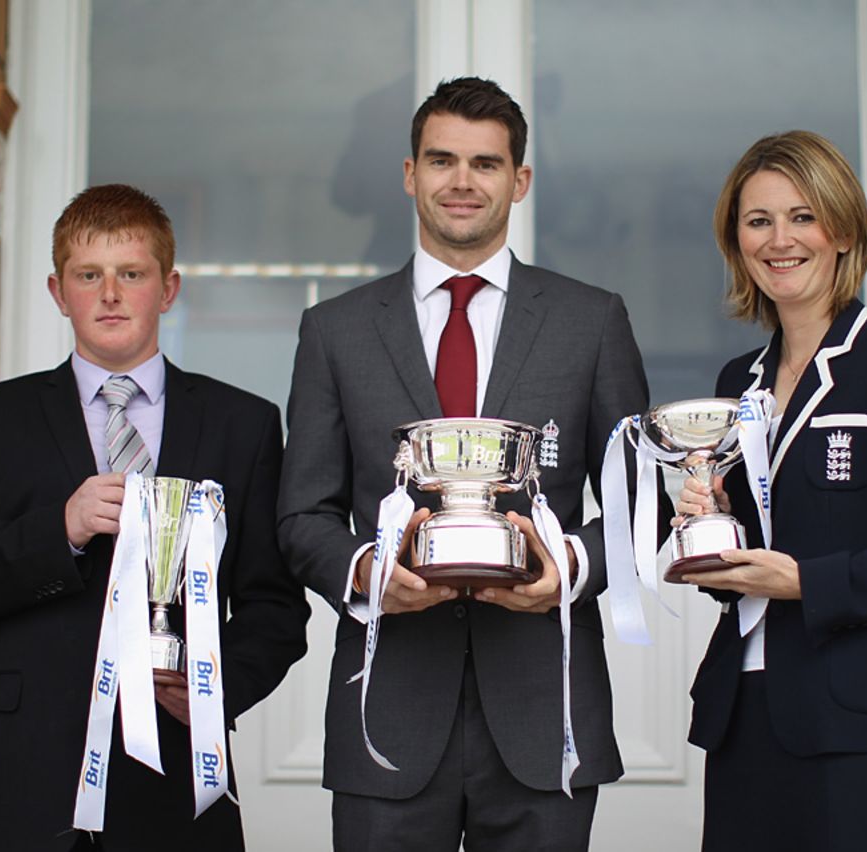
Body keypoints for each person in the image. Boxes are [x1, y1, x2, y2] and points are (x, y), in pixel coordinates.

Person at [278, 77, 664, 851]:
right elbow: (301, 514)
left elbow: (641, 495)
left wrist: (572, 566)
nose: (462, 181)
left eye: (485, 164)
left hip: (544, 711)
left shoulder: (592, 320)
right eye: (442, 160)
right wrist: (366, 572)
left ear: (519, 180)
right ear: (409, 173)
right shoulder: (336, 331)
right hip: (384, 712)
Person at [0, 184, 310, 852]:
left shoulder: (244, 425)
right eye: (89, 276)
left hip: (172, 772)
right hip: (16, 770)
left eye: (132, 274)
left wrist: (215, 687)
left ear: (168, 288)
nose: (110, 294)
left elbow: (274, 605)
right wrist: (57, 529)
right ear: (59, 292)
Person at [677, 130, 867, 851]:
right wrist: (712, 527)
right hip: (744, 714)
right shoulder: (737, 383)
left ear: (842, 231)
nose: (779, 239)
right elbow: (746, 566)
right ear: (738, 242)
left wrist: (808, 583)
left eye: (802, 216)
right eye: (758, 221)